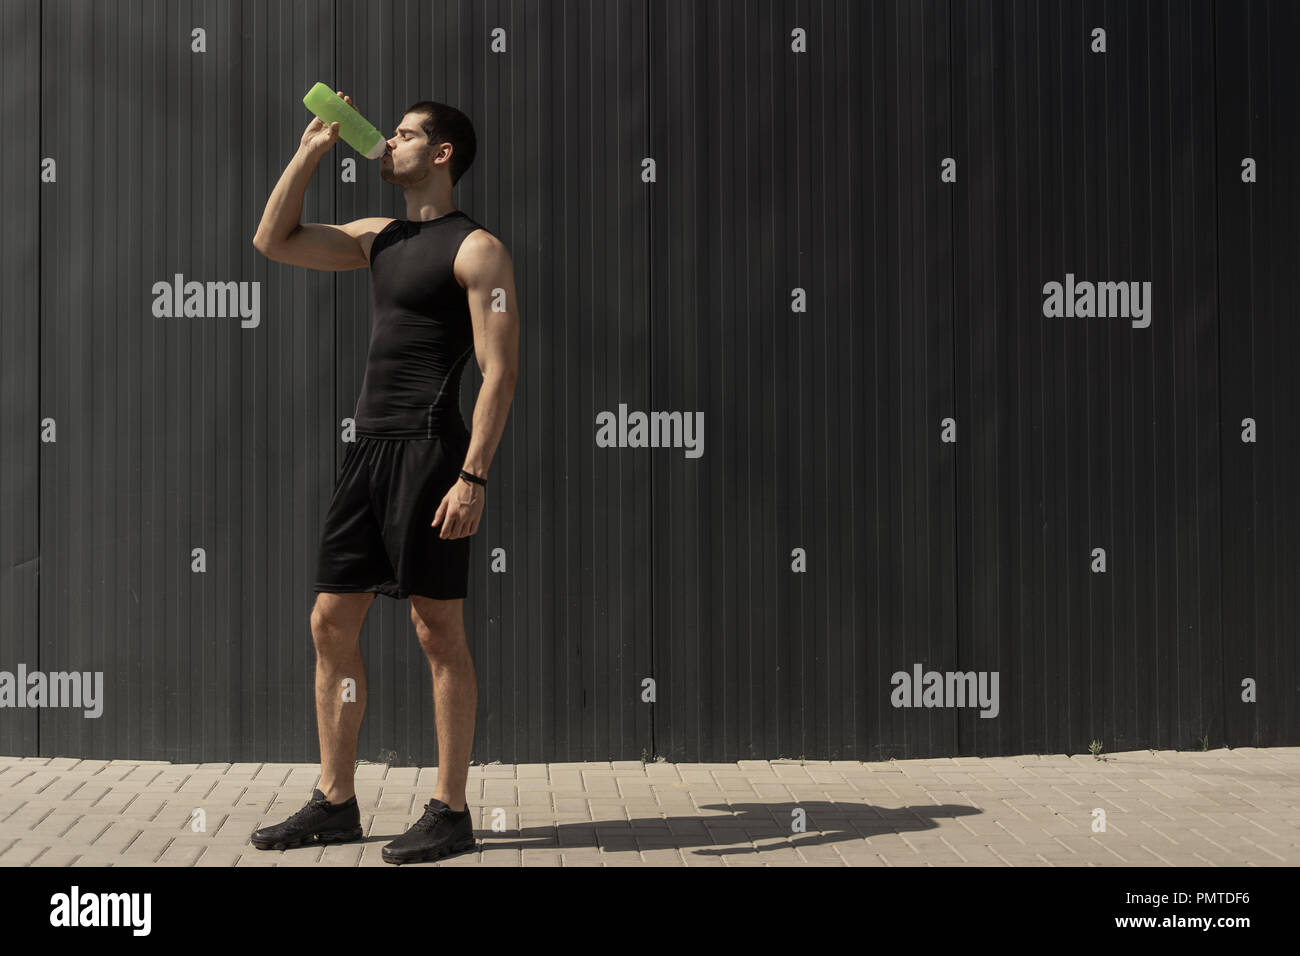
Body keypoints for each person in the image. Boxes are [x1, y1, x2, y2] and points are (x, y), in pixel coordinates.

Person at [249, 92, 519, 864]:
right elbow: (274, 240)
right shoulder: (379, 236)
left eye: (403, 136)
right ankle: (335, 802)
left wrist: (473, 477)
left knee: (437, 630)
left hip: (433, 453)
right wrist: (308, 153)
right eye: (390, 133)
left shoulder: (479, 251)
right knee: (330, 624)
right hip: (366, 451)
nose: (387, 145)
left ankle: (450, 810)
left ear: (441, 154)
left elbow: (499, 372)